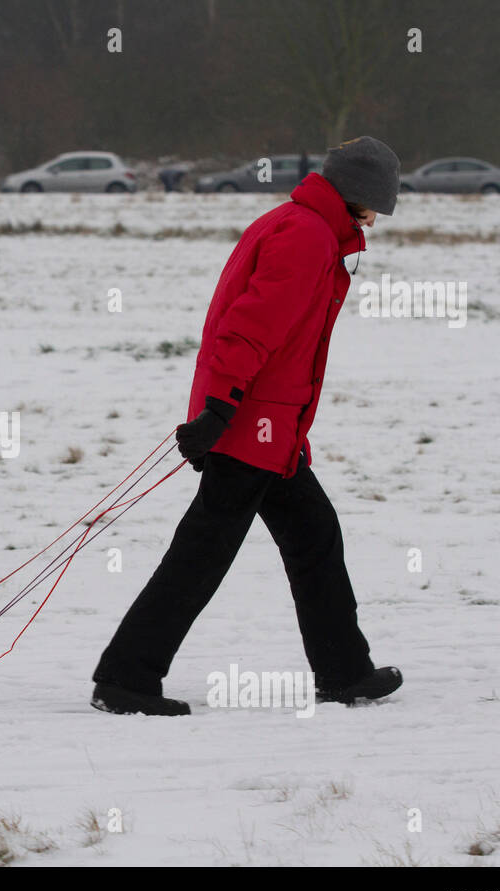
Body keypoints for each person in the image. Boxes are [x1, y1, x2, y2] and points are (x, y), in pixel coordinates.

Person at [90, 135, 404, 717]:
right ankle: (126, 676)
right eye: (375, 208)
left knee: (313, 537)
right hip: (249, 424)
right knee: (203, 553)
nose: (376, 221)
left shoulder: (298, 225)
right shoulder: (306, 238)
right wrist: (221, 408)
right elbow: (250, 328)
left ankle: (344, 672)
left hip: (267, 427)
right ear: (357, 196)